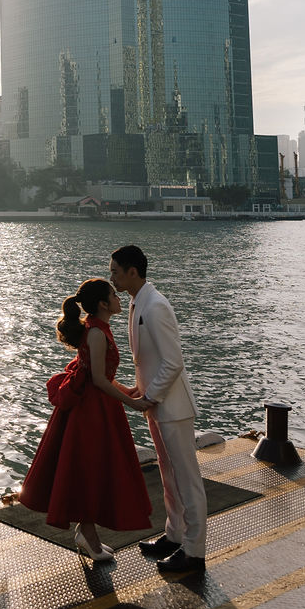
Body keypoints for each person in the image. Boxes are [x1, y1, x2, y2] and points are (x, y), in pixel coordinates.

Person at [17, 277, 153, 563]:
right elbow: (99, 380)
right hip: (90, 412)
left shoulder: (98, 328)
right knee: (88, 470)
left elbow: (100, 377)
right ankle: (88, 536)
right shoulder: (96, 333)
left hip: (96, 407)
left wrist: (126, 390)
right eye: (114, 295)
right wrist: (133, 402)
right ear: (103, 304)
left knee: (92, 470)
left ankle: (86, 532)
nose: (118, 298)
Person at [109, 243, 208, 574]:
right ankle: (174, 533)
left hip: (172, 406)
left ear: (132, 272)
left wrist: (149, 395)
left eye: (115, 271)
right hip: (157, 403)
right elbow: (149, 360)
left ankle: (194, 552)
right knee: (168, 474)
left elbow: (173, 362)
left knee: (186, 477)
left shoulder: (155, 306)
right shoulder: (139, 302)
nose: (112, 277)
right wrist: (143, 390)